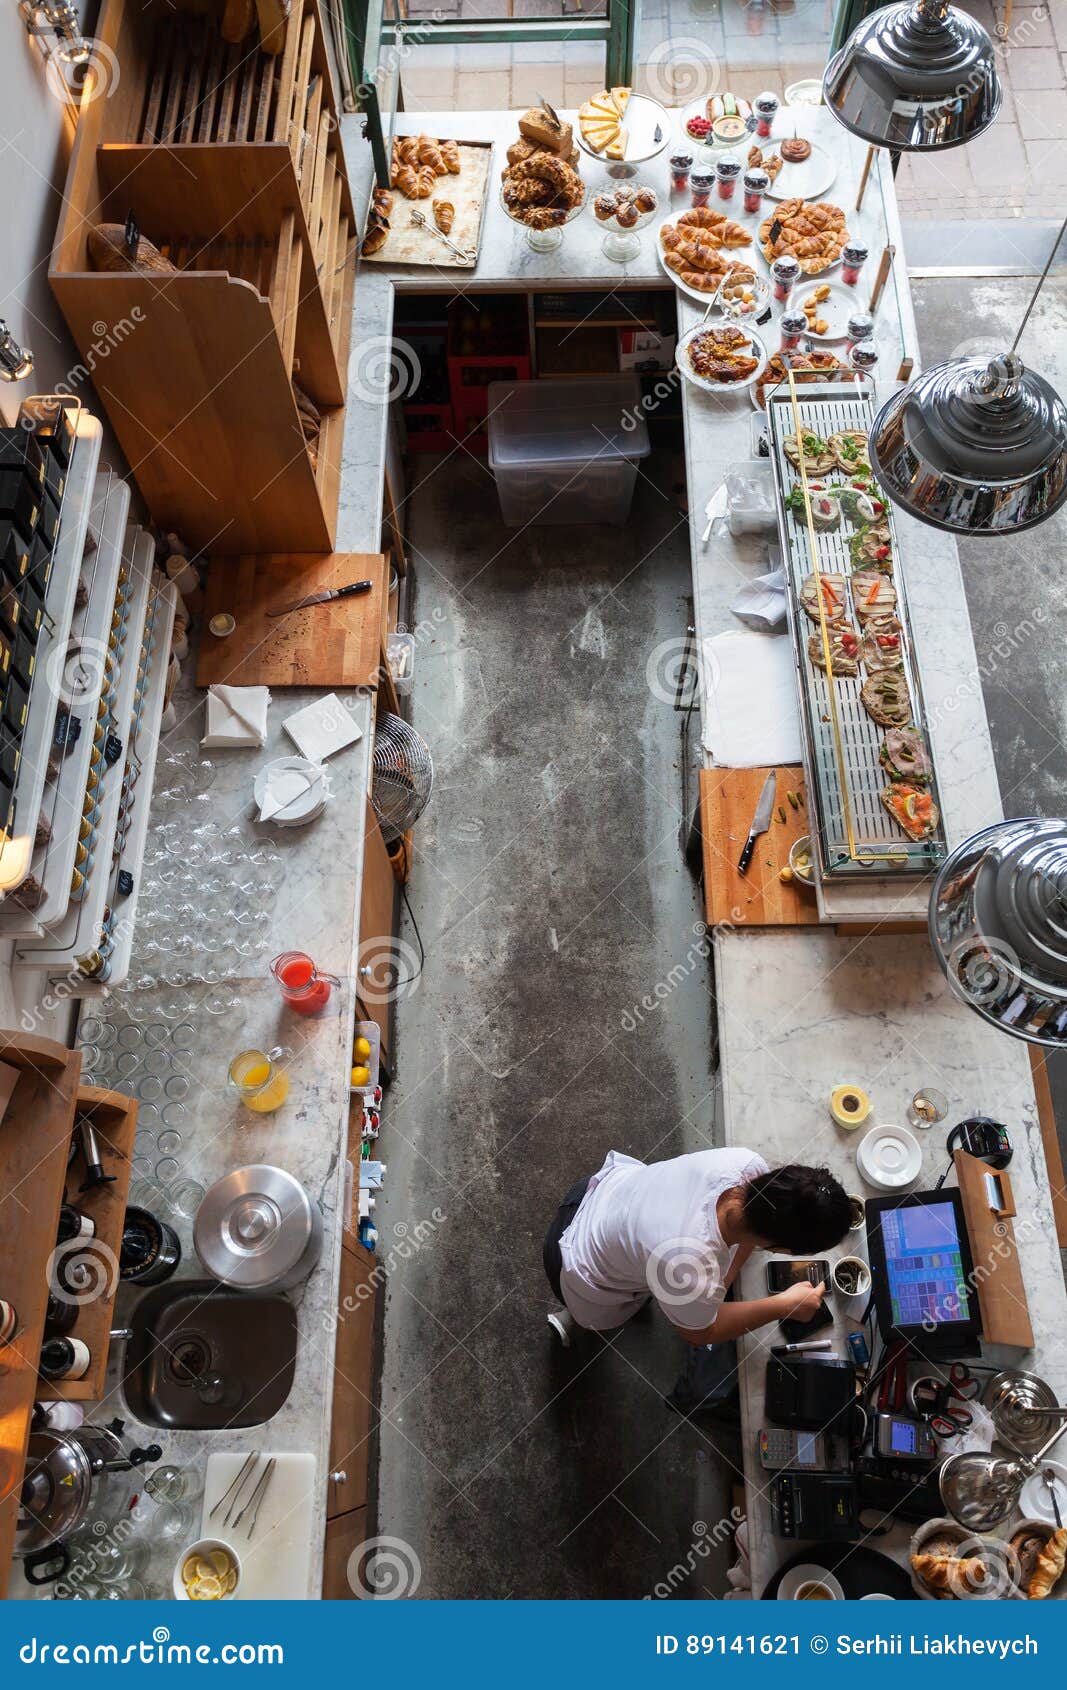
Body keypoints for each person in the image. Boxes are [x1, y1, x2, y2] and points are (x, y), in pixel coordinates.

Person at [542, 1147, 851, 1346]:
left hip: (596, 1192)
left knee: (660, 1277)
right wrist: (784, 1306)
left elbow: (746, 1231)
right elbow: (699, 1333)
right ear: (781, 1248)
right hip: (573, 1263)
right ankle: (576, 1315)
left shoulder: (745, 1165)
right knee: (628, 1304)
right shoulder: (688, 1265)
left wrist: (713, 1289)